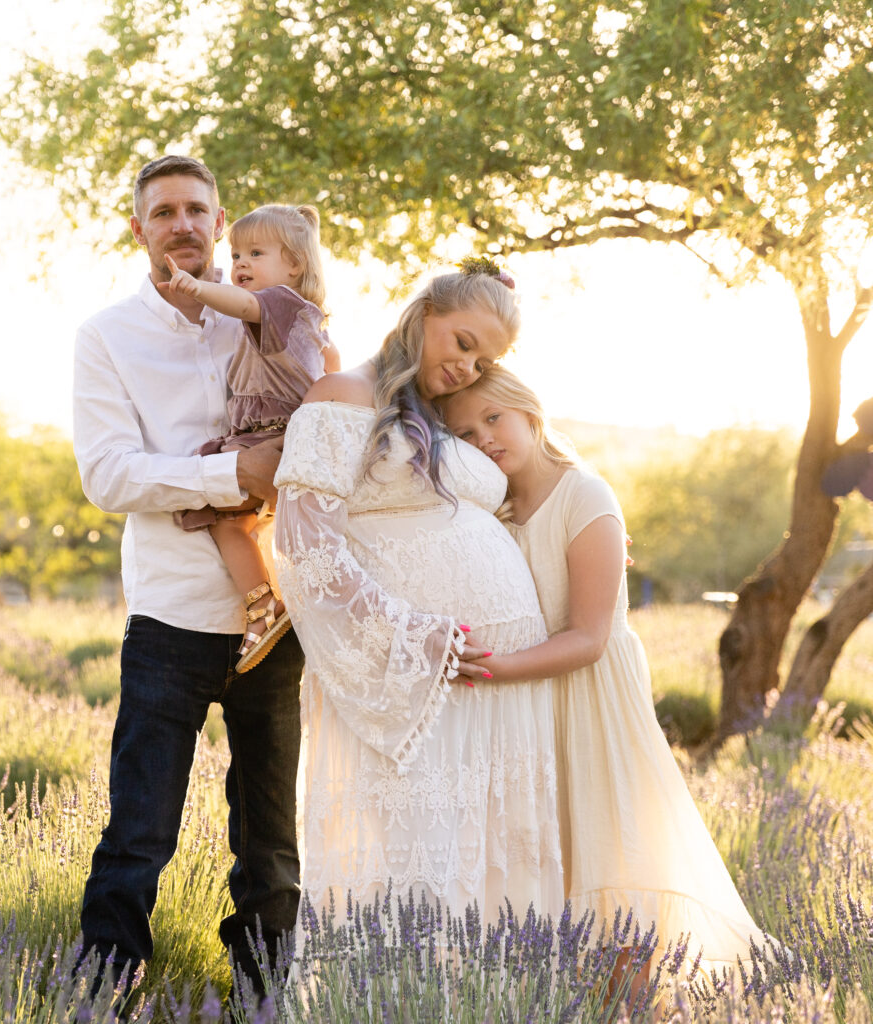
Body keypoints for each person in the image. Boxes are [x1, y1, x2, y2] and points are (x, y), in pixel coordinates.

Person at [442, 365, 769, 977]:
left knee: (613, 868)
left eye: (493, 418)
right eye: (463, 433)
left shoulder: (585, 496)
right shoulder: (494, 510)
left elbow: (589, 639)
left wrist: (497, 669)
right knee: (556, 873)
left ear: (529, 413)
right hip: (532, 704)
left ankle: (632, 1007)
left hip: (593, 699)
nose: (483, 438)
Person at [271, 258, 563, 933]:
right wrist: (414, 640)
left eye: (484, 360)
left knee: (491, 862)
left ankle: (498, 988)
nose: (468, 367)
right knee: (416, 865)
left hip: (498, 680)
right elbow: (304, 545)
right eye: (463, 343)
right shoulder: (343, 396)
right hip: (412, 676)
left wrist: (579, 535)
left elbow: (518, 482)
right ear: (425, 312)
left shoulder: (444, 418)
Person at [72, 154, 305, 997]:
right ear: (138, 228)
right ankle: (102, 997)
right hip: (169, 622)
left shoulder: (264, 316)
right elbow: (108, 476)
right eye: (164, 211)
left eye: (196, 210)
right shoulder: (106, 337)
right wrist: (229, 475)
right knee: (138, 835)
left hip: (277, 620)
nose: (182, 224)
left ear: (219, 221)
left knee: (271, 846)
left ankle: (263, 1001)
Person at [157, 203, 342, 673]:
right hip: (275, 435)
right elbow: (330, 368)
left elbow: (242, 305)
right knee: (252, 526)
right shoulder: (305, 320)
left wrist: (197, 288)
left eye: (255, 254)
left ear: (294, 265)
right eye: (236, 254)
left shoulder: (279, 303)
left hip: (266, 438)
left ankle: (263, 604)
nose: (240, 264)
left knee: (223, 518)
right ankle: (281, 602)